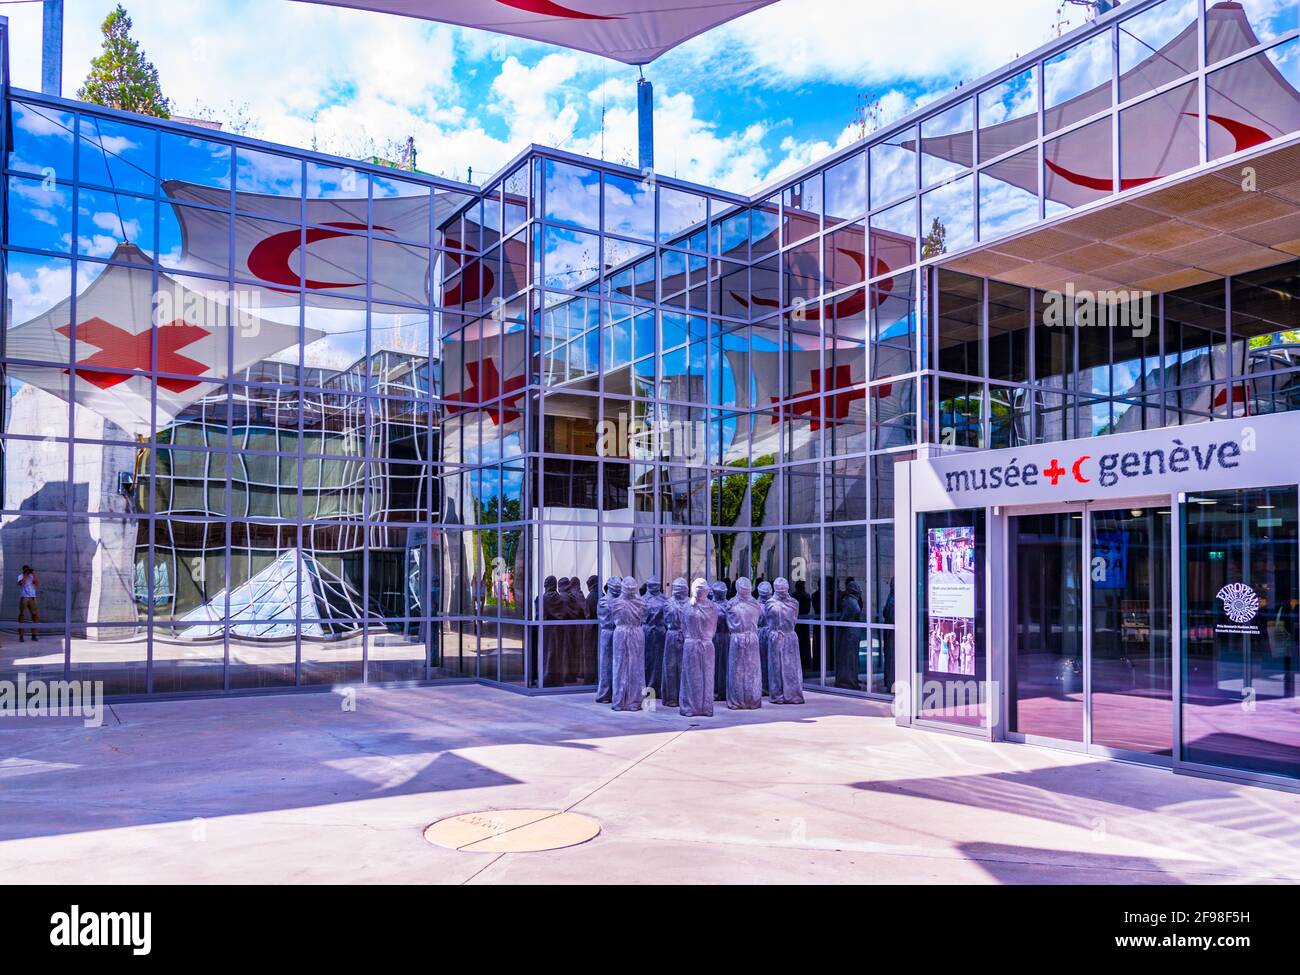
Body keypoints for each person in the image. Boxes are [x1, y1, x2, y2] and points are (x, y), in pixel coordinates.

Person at [679, 578, 718, 717]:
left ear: (707, 591)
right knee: (691, 676)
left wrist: (705, 638)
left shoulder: (713, 607)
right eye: (697, 589)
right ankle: (689, 706)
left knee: (707, 676)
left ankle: (706, 707)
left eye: (702, 590)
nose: (700, 592)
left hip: (706, 644)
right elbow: (683, 626)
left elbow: (713, 626)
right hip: (691, 643)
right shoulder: (686, 607)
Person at [725, 577, 762, 710]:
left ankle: (752, 699)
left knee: (752, 670)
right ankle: (737, 699)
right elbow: (729, 623)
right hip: (737, 638)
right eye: (743, 589)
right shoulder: (731, 604)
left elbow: (758, 619)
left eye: (747, 590)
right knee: (737, 670)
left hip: (751, 638)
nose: (745, 592)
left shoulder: (755, 604)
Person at [610, 576, 646, 711]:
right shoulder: (615, 603)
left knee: (635, 667)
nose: (630, 591)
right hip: (621, 633)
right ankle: (619, 699)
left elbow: (644, 617)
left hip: (635, 633)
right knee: (620, 666)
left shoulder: (641, 603)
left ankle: (634, 701)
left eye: (632, 589)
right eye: (628, 589)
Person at [768, 578, 804, 704]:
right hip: (776, 637)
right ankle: (777, 694)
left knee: (791, 666)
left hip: (789, 636)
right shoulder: (770, 603)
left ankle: (792, 693)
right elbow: (769, 620)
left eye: (784, 590)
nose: (782, 593)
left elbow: (794, 619)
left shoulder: (794, 603)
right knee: (776, 666)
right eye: (780, 591)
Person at [661, 578, 689, 708]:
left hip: (686, 637)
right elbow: (666, 620)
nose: (679, 592)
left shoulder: (690, 603)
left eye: (682, 589)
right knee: (671, 666)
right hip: (672, 635)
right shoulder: (668, 603)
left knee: (685, 666)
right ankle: (671, 697)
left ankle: (685, 696)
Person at [595, 577, 622, 703]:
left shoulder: (620, 600)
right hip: (608, 633)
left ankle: (617, 692)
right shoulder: (604, 601)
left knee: (618, 664)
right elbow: (608, 617)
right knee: (606, 663)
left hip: (619, 633)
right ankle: (605, 693)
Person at [16, 565, 39, 642]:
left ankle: (34, 635)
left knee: (35, 615)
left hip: (32, 597)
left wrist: (33, 574)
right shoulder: (20, 576)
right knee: (22, 615)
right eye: (26, 570)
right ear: (23, 570)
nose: (28, 571)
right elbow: (21, 585)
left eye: (28, 570)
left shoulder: (32, 576)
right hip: (24, 597)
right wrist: (25, 575)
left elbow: (37, 583)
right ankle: (21, 635)